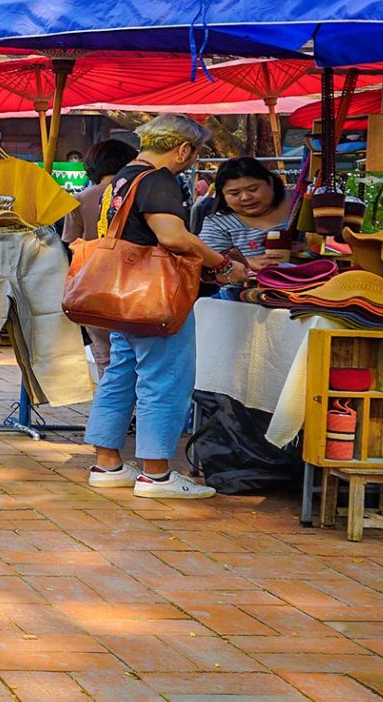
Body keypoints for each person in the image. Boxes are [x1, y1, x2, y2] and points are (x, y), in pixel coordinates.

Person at [84, 115, 249, 500]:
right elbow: (173, 237)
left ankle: (107, 464)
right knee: (164, 379)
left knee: (120, 376)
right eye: (194, 154)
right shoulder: (158, 180)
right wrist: (222, 264)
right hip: (156, 297)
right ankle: (156, 474)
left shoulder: (123, 177)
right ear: (183, 148)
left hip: (123, 296)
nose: (191, 162)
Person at [60, 139, 137, 376]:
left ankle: (111, 411)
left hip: (92, 285)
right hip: (135, 282)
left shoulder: (79, 199)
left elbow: (69, 243)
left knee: (106, 358)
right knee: (140, 356)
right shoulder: (137, 192)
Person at [199, 157, 295, 264]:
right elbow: (208, 262)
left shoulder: (299, 202)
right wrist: (246, 263)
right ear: (223, 195)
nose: (246, 197)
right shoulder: (217, 224)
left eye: (253, 189)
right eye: (234, 193)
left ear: (270, 182)